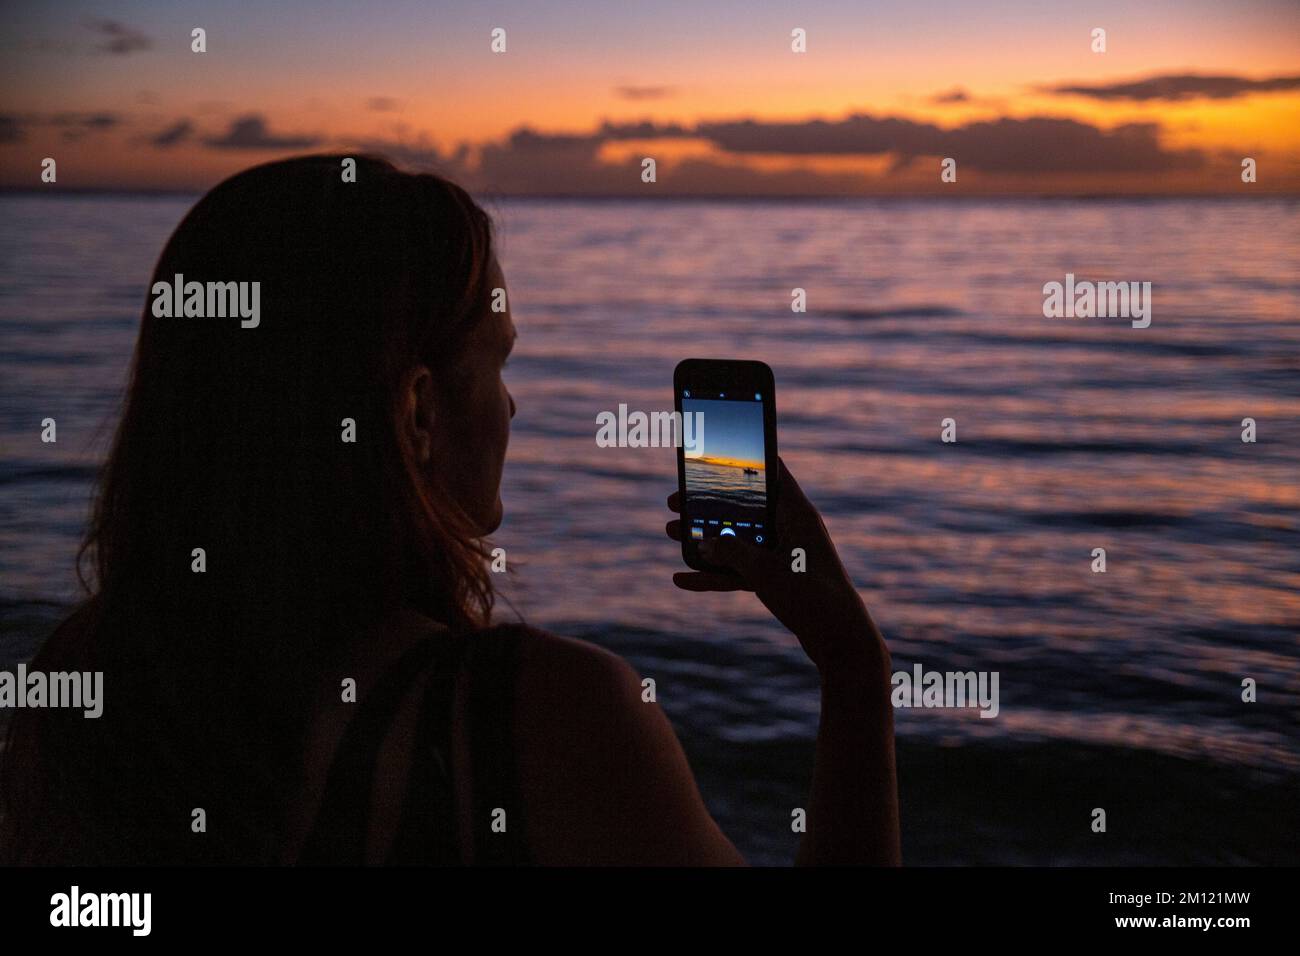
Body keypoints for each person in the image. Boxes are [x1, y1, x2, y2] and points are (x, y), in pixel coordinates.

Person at [0, 155, 899, 866]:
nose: (512, 408)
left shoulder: (77, 685)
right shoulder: (545, 718)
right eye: (498, 363)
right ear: (418, 413)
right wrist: (853, 664)